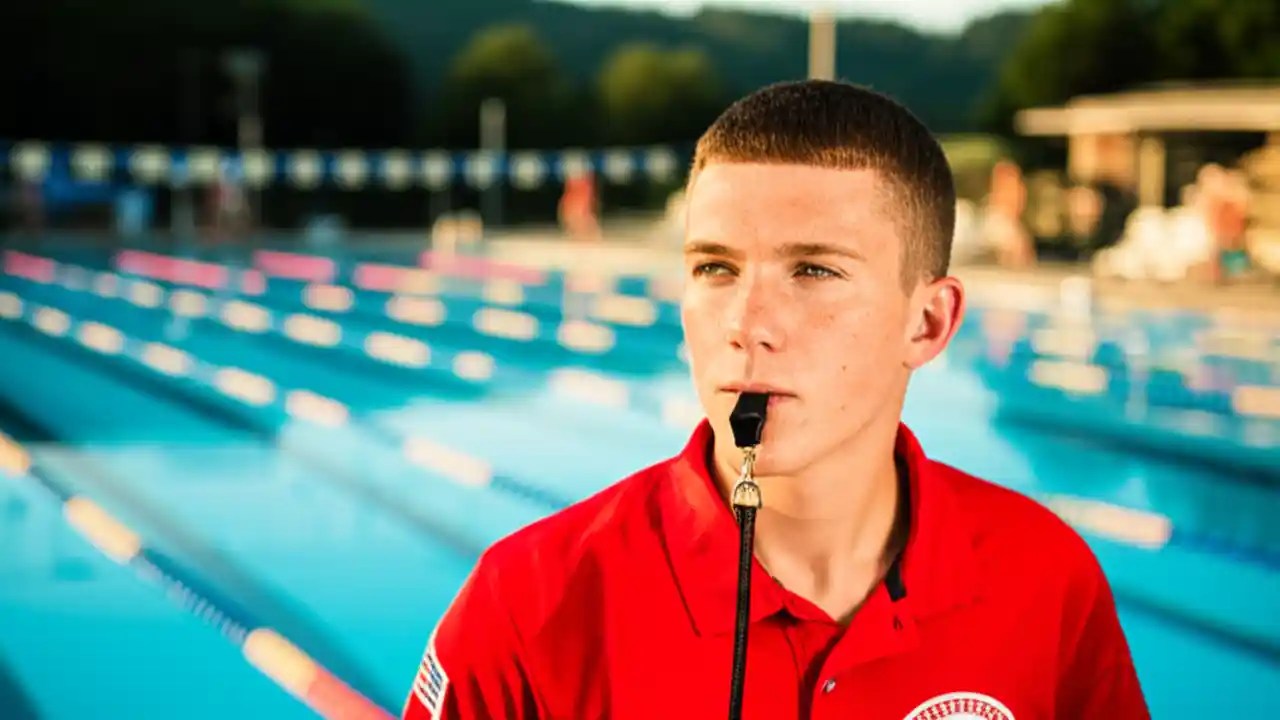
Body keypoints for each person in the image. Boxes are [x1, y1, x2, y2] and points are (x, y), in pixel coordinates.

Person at [402, 80, 1150, 720]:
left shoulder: (1044, 577)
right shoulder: (531, 607)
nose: (746, 325)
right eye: (716, 268)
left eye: (814, 271)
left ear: (927, 323)